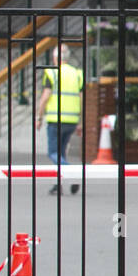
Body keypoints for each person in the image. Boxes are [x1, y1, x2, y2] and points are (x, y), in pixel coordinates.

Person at [35, 43, 83, 195]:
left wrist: (39, 117)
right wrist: (81, 121)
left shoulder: (52, 73)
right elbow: (82, 98)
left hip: (56, 119)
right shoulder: (77, 73)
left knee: (53, 153)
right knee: (61, 153)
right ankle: (58, 184)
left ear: (55, 57)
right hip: (72, 120)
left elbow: (45, 97)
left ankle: (71, 174)